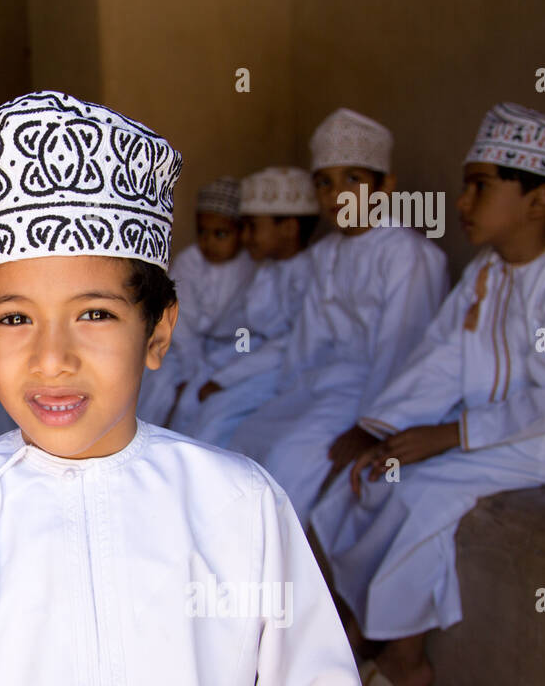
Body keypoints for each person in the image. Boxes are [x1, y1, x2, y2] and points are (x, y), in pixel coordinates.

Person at [0, 91, 377, 686]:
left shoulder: (239, 507)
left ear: (159, 331)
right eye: (16, 319)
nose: (52, 358)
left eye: (95, 315)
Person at [311, 103, 545, 686]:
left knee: (424, 493)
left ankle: (406, 662)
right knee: (370, 479)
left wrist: (448, 436)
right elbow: (440, 357)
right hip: (485, 436)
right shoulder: (488, 273)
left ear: (541, 200)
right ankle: (362, 627)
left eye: (479, 186)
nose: (461, 201)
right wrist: (381, 427)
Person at [229, 108, 449, 523]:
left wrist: (372, 427)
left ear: (385, 186)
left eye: (353, 179)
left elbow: (401, 350)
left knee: (287, 460)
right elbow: (307, 341)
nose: (335, 195)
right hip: (321, 386)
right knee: (245, 439)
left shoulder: (409, 254)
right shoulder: (326, 253)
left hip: (371, 396)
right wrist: (292, 395)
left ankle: (285, 577)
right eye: (324, 183)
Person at [170, 167, 317, 443]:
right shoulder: (268, 268)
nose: (245, 236)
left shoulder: (309, 273)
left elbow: (286, 343)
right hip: (252, 356)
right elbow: (253, 334)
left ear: (288, 228)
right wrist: (213, 369)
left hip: (282, 368)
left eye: (251, 227)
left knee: (215, 416)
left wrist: (224, 378)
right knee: (190, 397)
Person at [137, 176, 254, 426]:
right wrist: (191, 373)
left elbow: (247, 329)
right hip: (182, 349)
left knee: (209, 403)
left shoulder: (252, 268)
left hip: (231, 351)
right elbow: (183, 324)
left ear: (243, 232)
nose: (209, 241)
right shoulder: (190, 261)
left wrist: (230, 362)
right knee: (157, 385)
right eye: (203, 232)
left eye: (220, 234)